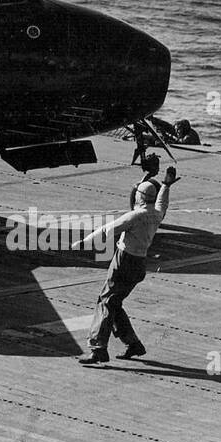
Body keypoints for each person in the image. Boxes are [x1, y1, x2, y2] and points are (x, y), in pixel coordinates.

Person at [78, 154, 176, 364]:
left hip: (124, 262)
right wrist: (166, 184)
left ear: (139, 197)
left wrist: (83, 242)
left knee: (106, 302)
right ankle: (133, 344)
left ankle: (98, 349)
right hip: (139, 263)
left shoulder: (135, 216)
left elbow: (107, 230)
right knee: (114, 302)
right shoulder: (157, 214)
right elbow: (162, 202)